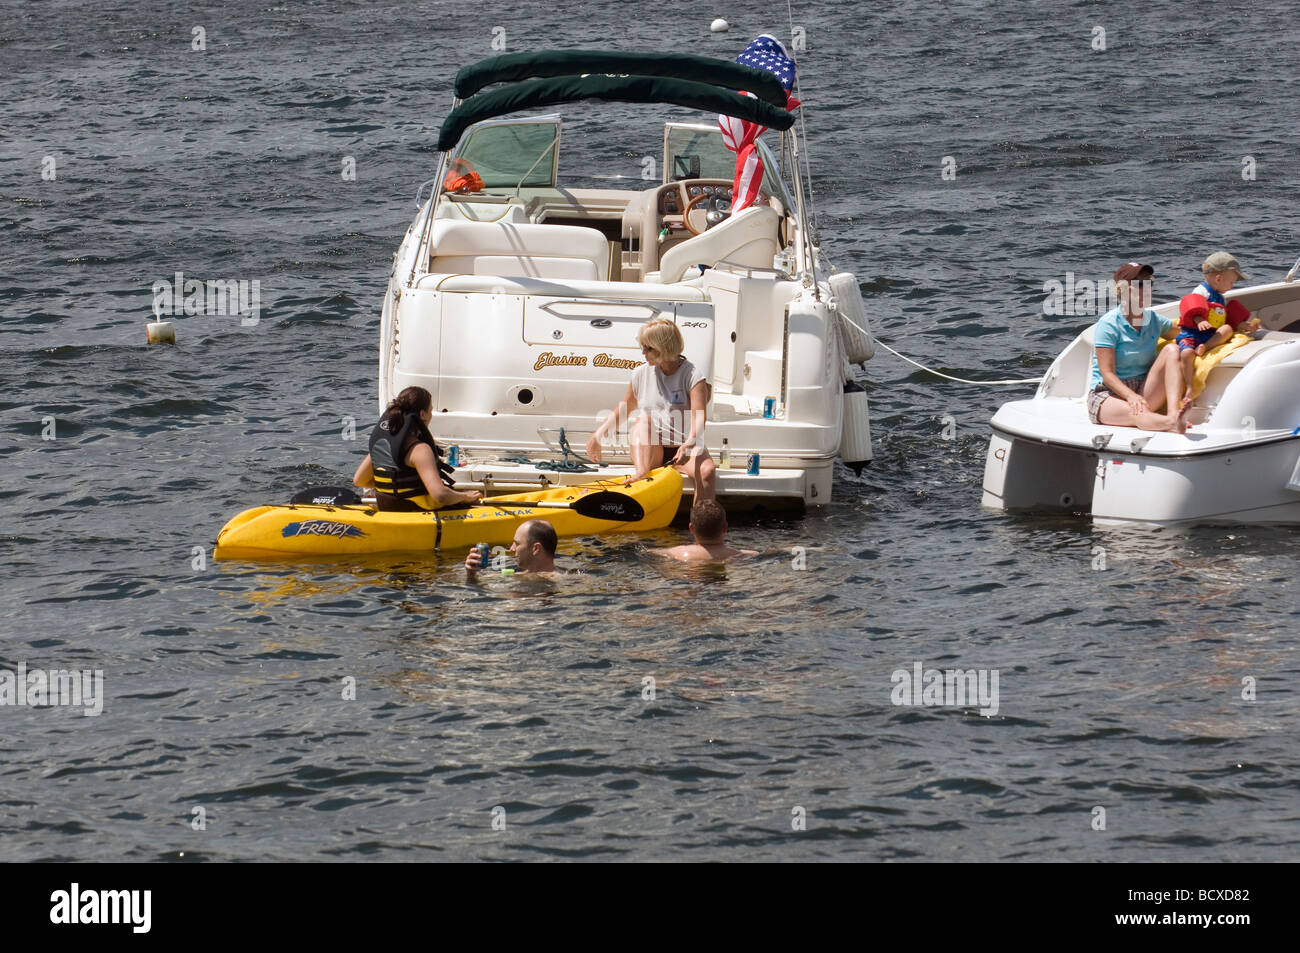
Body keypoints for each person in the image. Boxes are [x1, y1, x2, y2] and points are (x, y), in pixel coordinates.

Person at [585, 318, 718, 500]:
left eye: (648, 348)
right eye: (643, 347)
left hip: (683, 447)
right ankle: (641, 472)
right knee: (643, 419)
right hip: (653, 449)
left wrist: (688, 444)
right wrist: (597, 436)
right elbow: (625, 408)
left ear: (663, 348)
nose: (643, 352)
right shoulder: (640, 373)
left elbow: (699, 418)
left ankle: (700, 524)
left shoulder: (693, 375)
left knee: (707, 472)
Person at [1086, 262, 1189, 432]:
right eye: (1140, 284)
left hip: (1141, 390)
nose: (1147, 289)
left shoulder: (1154, 320)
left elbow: (1183, 334)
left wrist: (1217, 330)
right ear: (1123, 290)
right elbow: (1107, 375)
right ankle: (1171, 423)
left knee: (1172, 350)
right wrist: (1130, 396)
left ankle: (1173, 414)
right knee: (1138, 413)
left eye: (1150, 284)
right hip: (1107, 394)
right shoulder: (1108, 324)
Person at [352, 386, 482, 510]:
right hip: (418, 511)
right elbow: (441, 496)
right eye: (430, 410)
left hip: (388, 507)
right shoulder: (420, 450)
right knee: (471, 499)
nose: (431, 415)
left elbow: (359, 480)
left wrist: (395, 486)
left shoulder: (383, 445)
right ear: (423, 414)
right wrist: (465, 496)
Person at [1176, 251, 1262, 403]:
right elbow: (1192, 307)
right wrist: (1199, 320)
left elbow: (1224, 318)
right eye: (1231, 282)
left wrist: (1244, 325)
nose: (1232, 286)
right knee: (1186, 354)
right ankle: (1189, 385)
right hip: (1192, 334)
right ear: (1218, 278)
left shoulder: (1220, 297)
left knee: (1228, 329)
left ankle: (1204, 347)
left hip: (1209, 335)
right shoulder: (1201, 292)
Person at [650, 499, 756, 562]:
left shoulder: (677, 553)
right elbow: (754, 554)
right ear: (725, 528)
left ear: (691, 528)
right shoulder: (738, 555)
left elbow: (648, 552)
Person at [464, 519, 562, 576]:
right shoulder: (517, 575)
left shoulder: (561, 582)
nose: (511, 549)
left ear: (536, 549)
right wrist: (471, 573)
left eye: (517, 543)